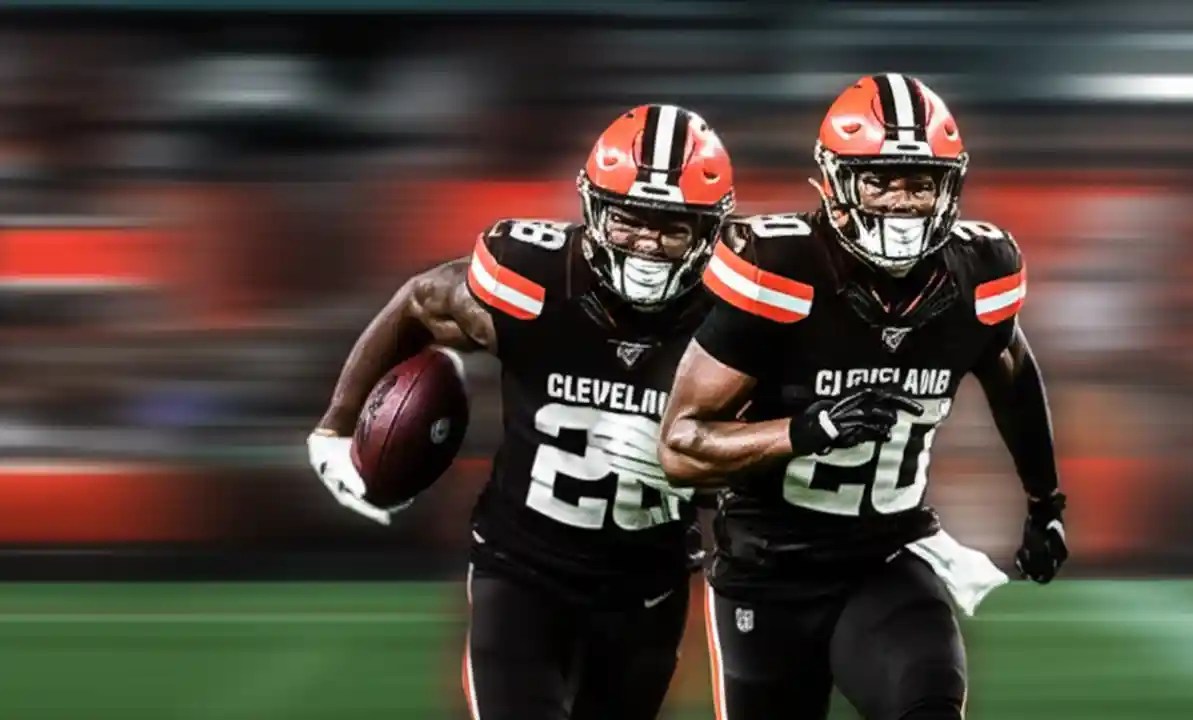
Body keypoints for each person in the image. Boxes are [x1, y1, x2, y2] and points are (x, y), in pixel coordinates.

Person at [658, 74, 1068, 720]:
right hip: (769, 571)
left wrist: (1045, 500)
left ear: (949, 186)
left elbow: (1012, 371)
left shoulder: (978, 274)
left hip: (887, 555)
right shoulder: (779, 270)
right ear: (834, 183)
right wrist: (804, 431)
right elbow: (680, 446)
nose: (902, 203)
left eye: (919, 182)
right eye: (879, 179)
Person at [307, 104, 736, 720]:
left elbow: (770, 469)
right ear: (593, 210)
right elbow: (422, 301)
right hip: (524, 569)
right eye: (630, 222)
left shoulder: (737, 319)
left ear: (710, 229)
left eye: (673, 228)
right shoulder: (535, 284)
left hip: (648, 586)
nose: (647, 245)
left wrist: (693, 469)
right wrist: (337, 425)